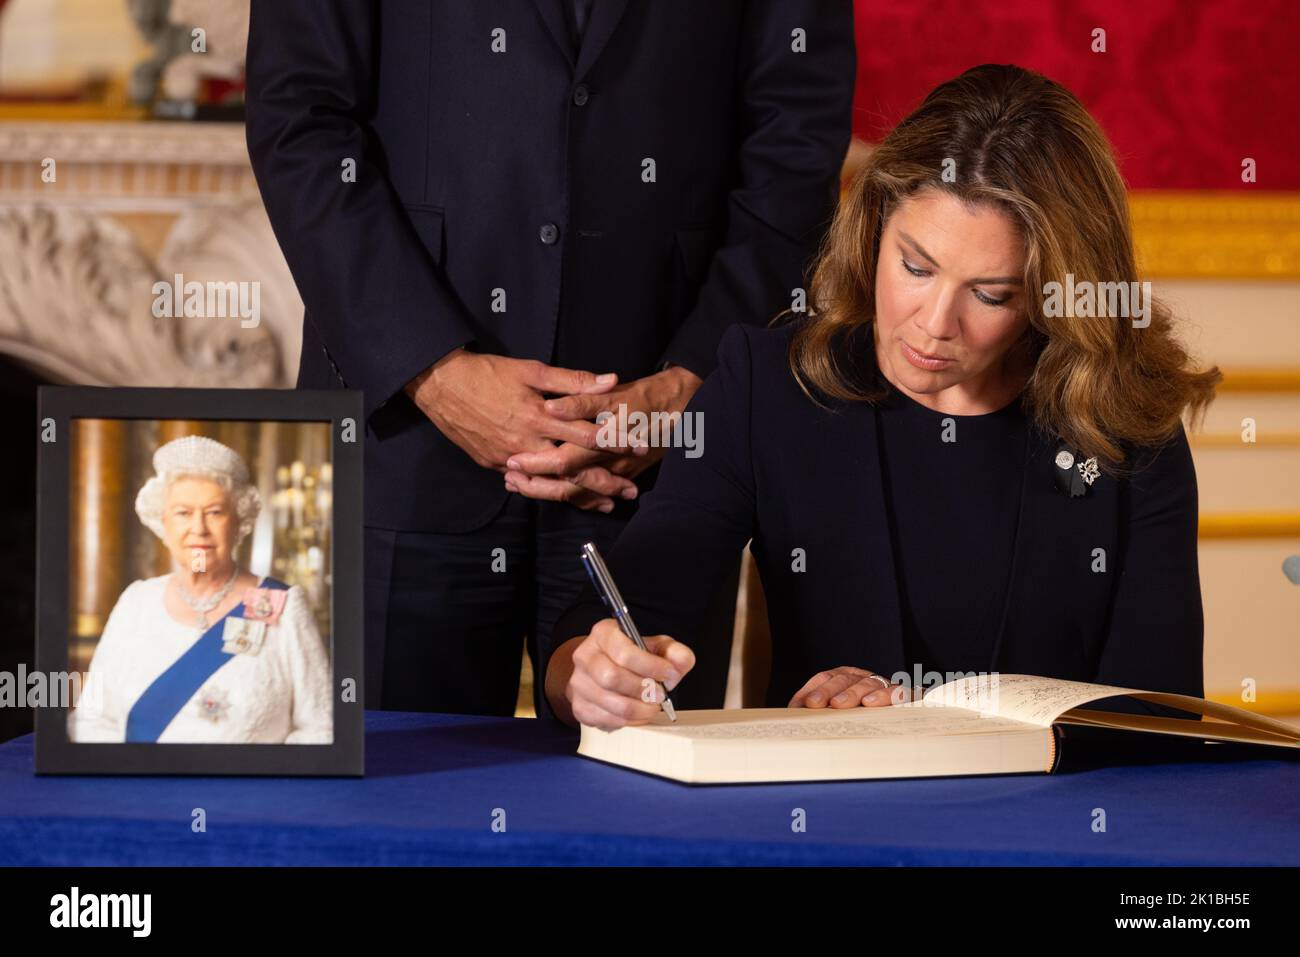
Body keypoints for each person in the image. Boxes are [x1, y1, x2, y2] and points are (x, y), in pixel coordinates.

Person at [545, 65, 1222, 756]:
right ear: (874, 227)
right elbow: (625, 614)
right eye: (917, 267)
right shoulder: (767, 387)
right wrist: (590, 675)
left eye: (990, 295)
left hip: (1056, 832)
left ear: (1053, 295)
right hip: (835, 825)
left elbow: (1156, 723)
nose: (933, 324)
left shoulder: (1127, 422)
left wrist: (915, 722)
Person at [244, 1, 856, 718]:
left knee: (642, 811)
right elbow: (297, 117)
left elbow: (797, 140)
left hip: (660, 453)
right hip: (398, 441)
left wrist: (694, 379)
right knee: (386, 804)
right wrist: (435, 374)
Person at [68, 436, 333, 744]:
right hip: (140, 789)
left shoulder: (282, 605)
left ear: (239, 522)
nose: (199, 528)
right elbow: (91, 719)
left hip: (249, 790)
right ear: (162, 523)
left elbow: (320, 729)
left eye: (214, 512)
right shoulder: (136, 602)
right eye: (183, 512)